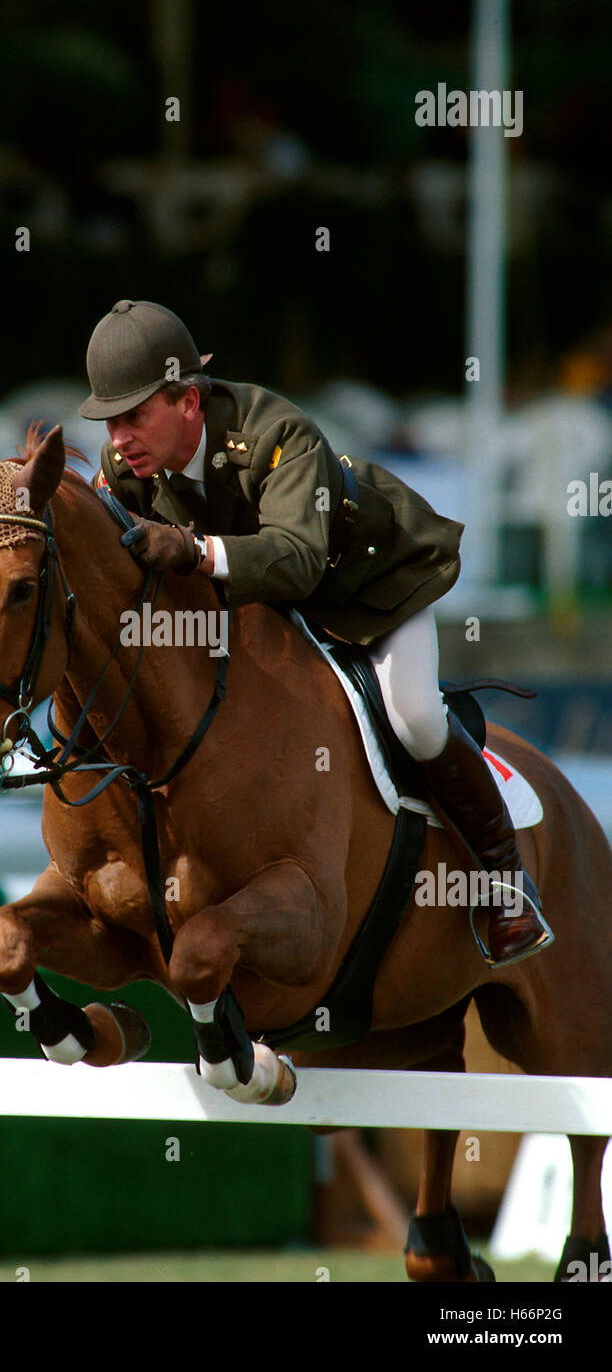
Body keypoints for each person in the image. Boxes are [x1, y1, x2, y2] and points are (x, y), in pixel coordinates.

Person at [79, 298, 553, 967]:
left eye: (134, 415)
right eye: (110, 420)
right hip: (265, 613)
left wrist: (194, 552)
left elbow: (297, 561)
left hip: (370, 592)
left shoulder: (277, 433)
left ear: (187, 400)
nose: (120, 437)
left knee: (415, 717)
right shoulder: (126, 466)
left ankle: (507, 882)